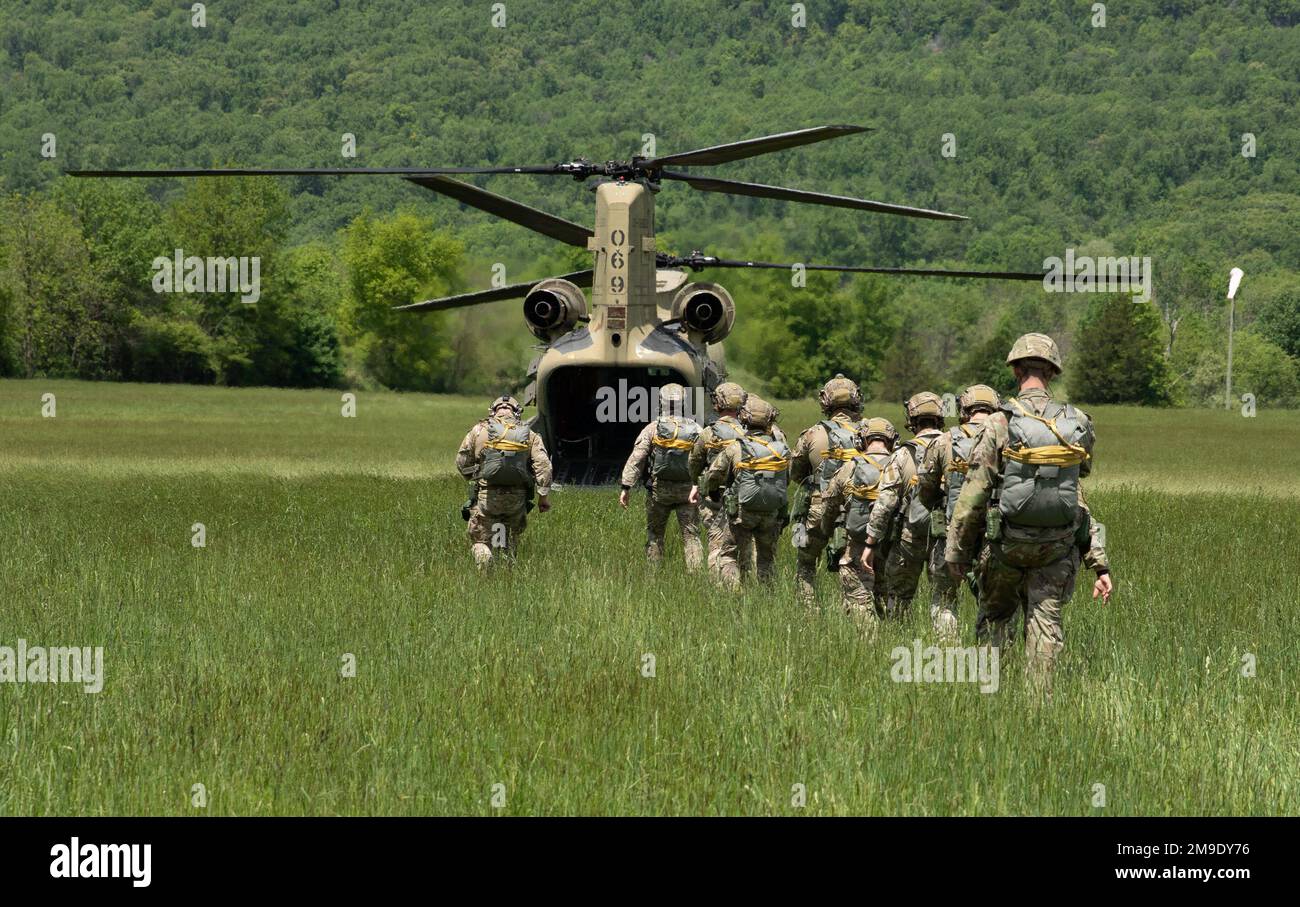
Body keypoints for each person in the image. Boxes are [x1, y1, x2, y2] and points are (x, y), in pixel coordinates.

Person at [945, 333, 1114, 687]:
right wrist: (1098, 562)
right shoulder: (1078, 422)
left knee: (993, 618)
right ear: (1052, 372)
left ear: (1016, 370)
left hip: (1005, 546)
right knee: (1046, 625)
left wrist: (957, 553)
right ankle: (1040, 707)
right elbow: (1078, 486)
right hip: (1057, 547)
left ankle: (991, 699)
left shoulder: (999, 422)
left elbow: (974, 494)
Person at [915, 384, 999, 642]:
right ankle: (991, 654)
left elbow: (926, 487)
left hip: (952, 531)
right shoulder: (1006, 437)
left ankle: (947, 650)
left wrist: (939, 503)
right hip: (993, 533)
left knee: (944, 596)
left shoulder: (944, 440)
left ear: (964, 409)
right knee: (993, 598)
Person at [861, 392, 946, 618]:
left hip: (910, 536)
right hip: (946, 535)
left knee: (899, 597)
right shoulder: (953, 447)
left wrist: (870, 543)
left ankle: (898, 639)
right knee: (945, 598)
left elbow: (886, 502)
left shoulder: (902, 454)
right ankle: (948, 645)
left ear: (912, 419)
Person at [691, 396, 790, 588]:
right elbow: (788, 478)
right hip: (772, 513)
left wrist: (712, 493)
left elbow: (714, 475)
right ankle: (766, 597)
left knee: (729, 554)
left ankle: (733, 594)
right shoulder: (783, 449)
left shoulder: (736, 447)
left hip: (742, 513)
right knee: (766, 558)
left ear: (744, 420)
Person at [789, 374, 863, 607]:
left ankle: (808, 615)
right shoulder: (872, 433)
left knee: (806, 563)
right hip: (858, 509)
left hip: (818, 509)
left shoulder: (812, 434)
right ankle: (855, 613)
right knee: (856, 567)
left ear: (825, 401)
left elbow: (796, 474)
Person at [820, 417, 898, 634]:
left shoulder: (851, 467)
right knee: (887, 596)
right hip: (892, 545)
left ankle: (869, 643)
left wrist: (826, 531)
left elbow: (830, 503)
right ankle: (890, 638)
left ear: (862, 440)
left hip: (858, 544)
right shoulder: (899, 464)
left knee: (858, 599)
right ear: (891, 440)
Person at [455, 395, 552, 567]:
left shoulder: (478, 430)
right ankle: (506, 574)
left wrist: (474, 476)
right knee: (509, 539)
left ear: (493, 411)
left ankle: (485, 559)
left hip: (487, 496)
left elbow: (462, 463)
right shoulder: (529, 434)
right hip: (517, 498)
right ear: (517, 412)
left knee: (481, 540)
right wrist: (543, 496)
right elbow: (544, 465)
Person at [619, 383, 704, 570]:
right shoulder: (696, 429)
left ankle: (653, 575)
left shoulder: (653, 428)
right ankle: (695, 577)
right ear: (684, 403)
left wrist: (626, 486)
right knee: (691, 536)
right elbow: (704, 459)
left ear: (661, 403)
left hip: (659, 492)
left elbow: (637, 458)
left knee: (655, 534)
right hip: (688, 492)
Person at [689, 382, 749, 584]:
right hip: (743, 496)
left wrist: (697, 485)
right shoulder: (749, 434)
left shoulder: (708, 433)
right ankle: (747, 583)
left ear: (718, 403)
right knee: (744, 545)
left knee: (716, 543)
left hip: (713, 498)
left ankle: (719, 587)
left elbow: (694, 463)